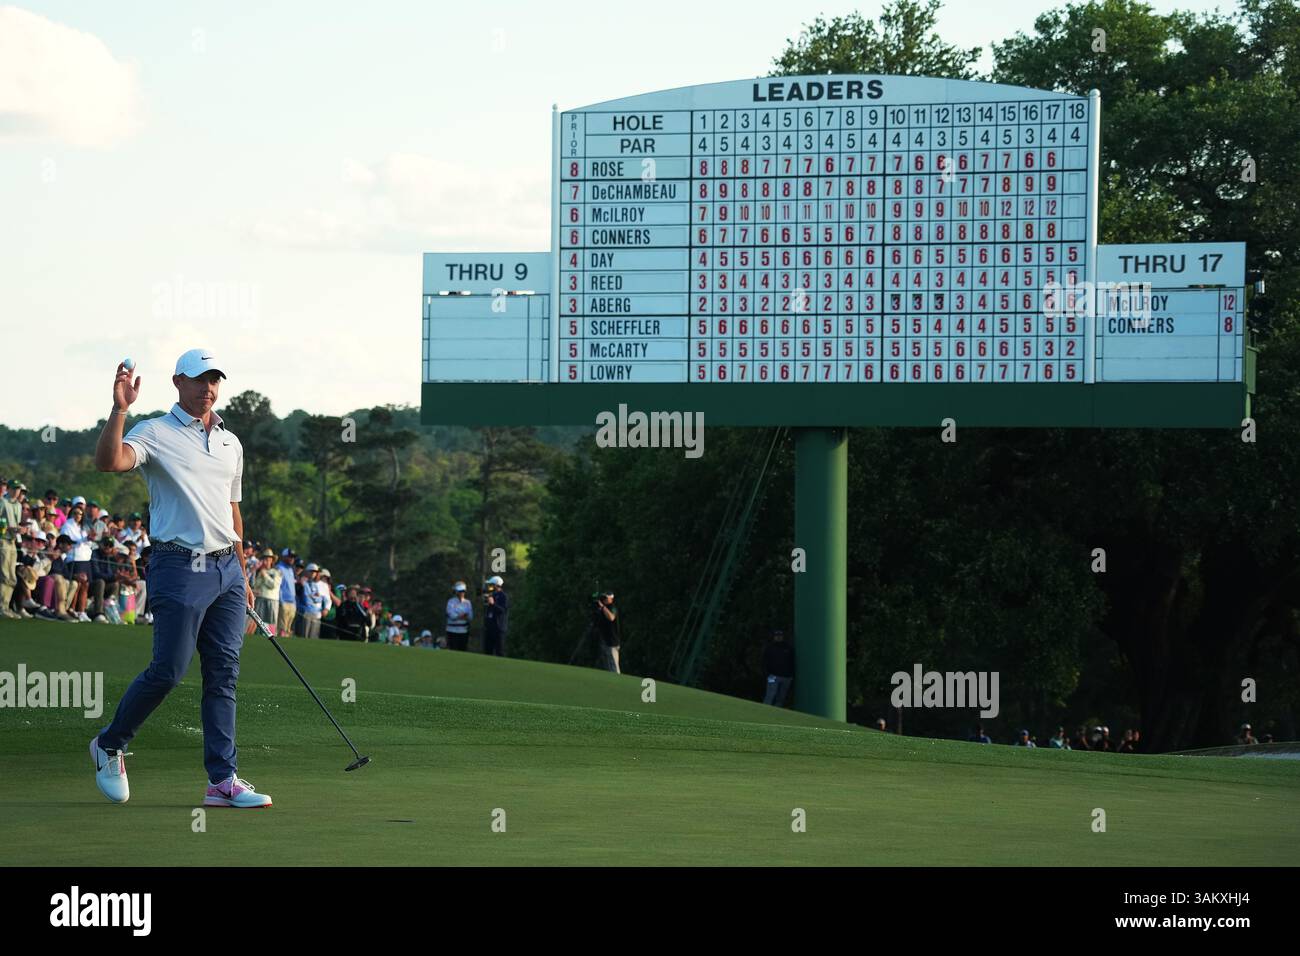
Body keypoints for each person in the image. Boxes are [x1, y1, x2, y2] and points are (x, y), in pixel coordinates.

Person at [89, 350, 272, 808]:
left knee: (224, 674)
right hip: (178, 564)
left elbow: (232, 511)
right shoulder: (154, 431)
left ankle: (222, 782)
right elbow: (109, 462)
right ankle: (110, 744)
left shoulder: (232, 443)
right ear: (177, 382)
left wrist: (243, 572)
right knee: (169, 670)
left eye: (214, 380)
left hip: (228, 569)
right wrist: (119, 409)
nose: (207, 388)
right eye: (198, 379)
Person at [0, 477, 23, 618]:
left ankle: (6, 606)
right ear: (8, 489)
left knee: (12, 576)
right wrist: (9, 528)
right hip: (3, 540)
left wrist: (20, 530)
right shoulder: (2, 502)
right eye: (13, 489)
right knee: (4, 574)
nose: (16, 491)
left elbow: (17, 523)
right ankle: (2, 607)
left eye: (18, 489)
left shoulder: (19, 505)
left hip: (13, 541)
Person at [760, 628, 795, 706]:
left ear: (783, 637)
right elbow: (764, 661)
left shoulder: (788, 648)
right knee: (770, 695)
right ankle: (764, 712)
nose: (778, 637)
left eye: (780, 635)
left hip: (787, 677)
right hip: (773, 676)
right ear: (774, 637)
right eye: (777, 635)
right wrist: (767, 674)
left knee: (781, 698)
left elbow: (792, 662)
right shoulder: (769, 648)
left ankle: (776, 714)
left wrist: (791, 675)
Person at [251, 548, 280, 633]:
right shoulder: (260, 572)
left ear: (272, 560)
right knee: (258, 622)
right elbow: (256, 585)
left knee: (271, 623)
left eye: (268, 559)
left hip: (272, 599)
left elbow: (273, 585)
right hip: (260, 598)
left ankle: (271, 638)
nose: (266, 561)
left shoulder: (276, 572)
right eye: (264, 559)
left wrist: (265, 575)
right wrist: (257, 572)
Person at [592, 591, 621, 673]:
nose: (604, 599)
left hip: (612, 642)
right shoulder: (603, 609)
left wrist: (603, 607)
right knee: (607, 666)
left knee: (614, 666)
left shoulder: (612, 607)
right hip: (605, 641)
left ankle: (618, 682)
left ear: (611, 598)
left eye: (606, 598)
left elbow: (611, 617)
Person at [482, 575, 509, 657]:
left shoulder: (503, 596)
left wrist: (493, 604)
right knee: (487, 651)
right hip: (490, 627)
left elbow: (502, 610)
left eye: (491, 585)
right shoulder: (491, 595)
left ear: (497, 585)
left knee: (499, 652)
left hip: (499, 629)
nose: (490, 587)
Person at [274, 548, 297, 637]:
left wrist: (294, 602)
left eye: (293, 557)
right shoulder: (279, 568)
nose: (292, 559)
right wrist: (281, 601)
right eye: (290, 557)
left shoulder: (291, 570)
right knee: (281, 628)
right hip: (283, 602)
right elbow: (279, 586)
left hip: (292, 603)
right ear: (284, 557)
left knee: (288, 629)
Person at [445, 581, 473, 651]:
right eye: (460, 591)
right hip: (452, 631)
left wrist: (458, 615)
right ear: (456, 592)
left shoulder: (468, 602)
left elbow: (470, 617)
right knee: (453, 650)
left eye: (463, 591)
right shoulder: (451, 602)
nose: (461, 593)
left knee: (463, 651)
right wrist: (463, 615)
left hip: (464, 631)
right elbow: (452, 616)